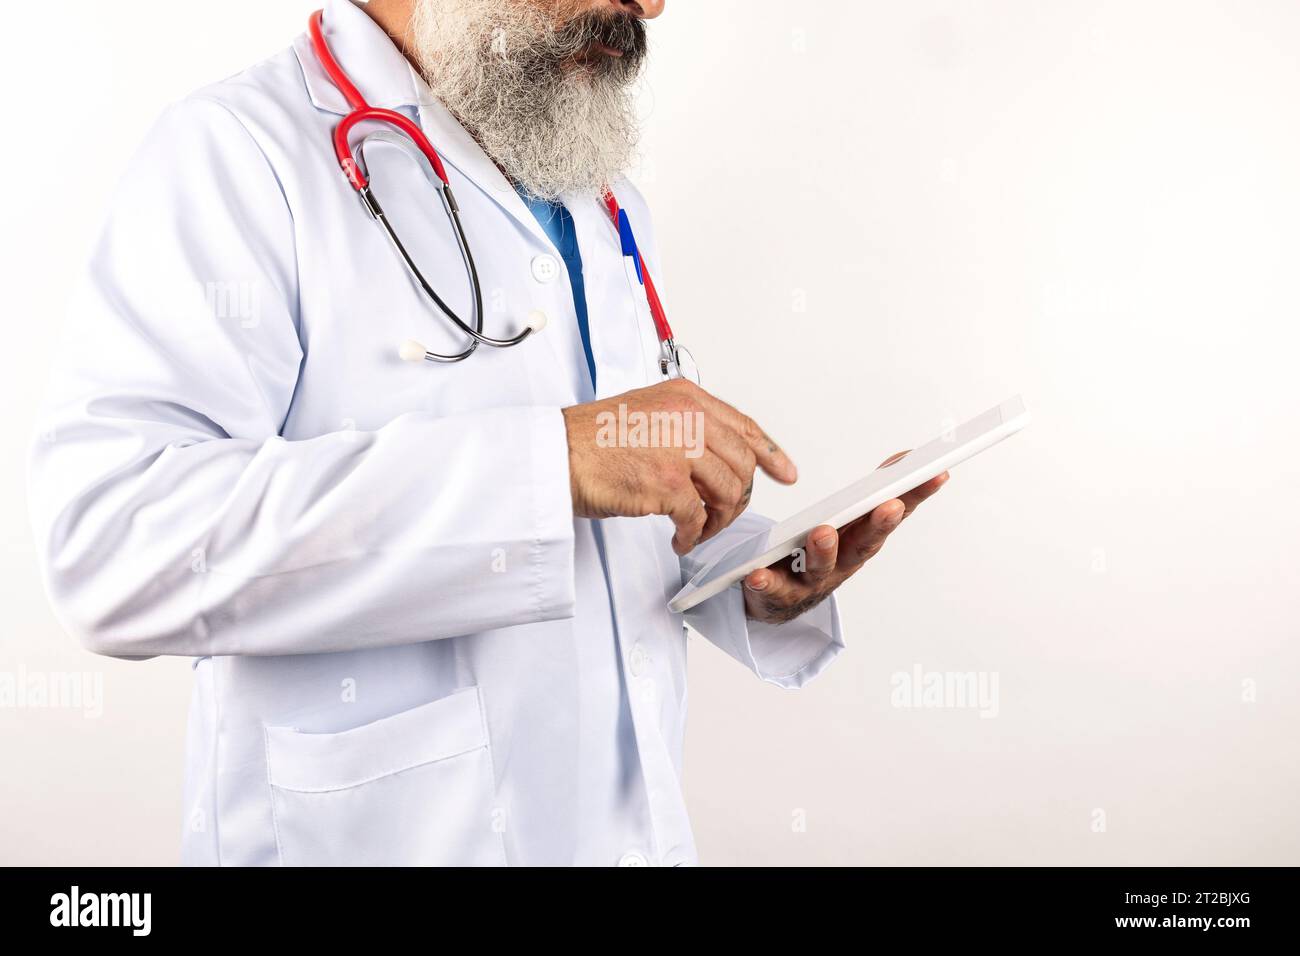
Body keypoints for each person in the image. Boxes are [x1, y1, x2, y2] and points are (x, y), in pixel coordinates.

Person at [28, 0, 947, 866]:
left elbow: (604, 518)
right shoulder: (237, 155)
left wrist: (748, 578)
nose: (658, 5)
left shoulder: (599, 198)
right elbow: (110, 544)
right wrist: (549, 462)